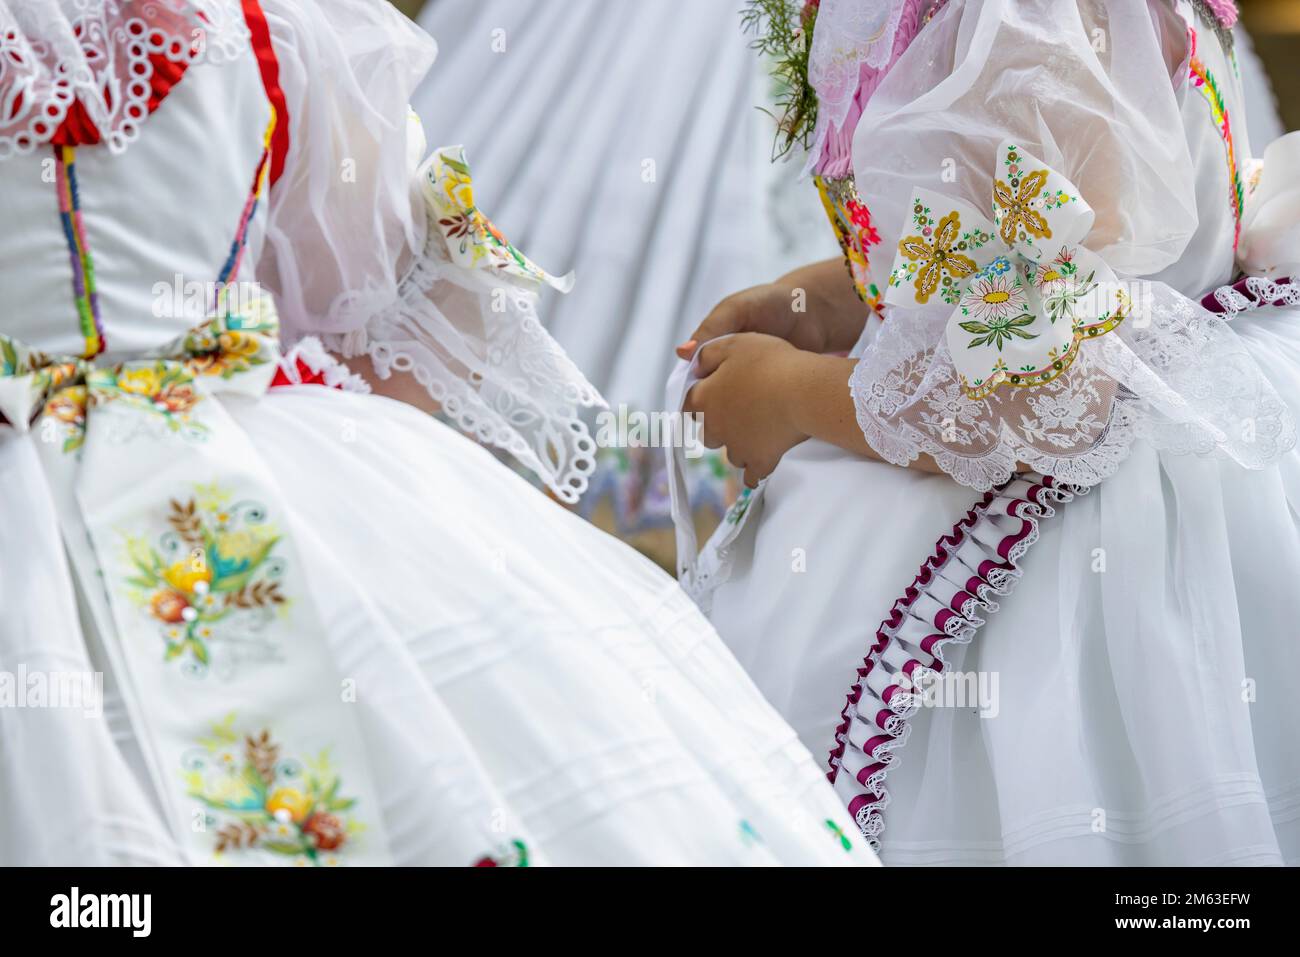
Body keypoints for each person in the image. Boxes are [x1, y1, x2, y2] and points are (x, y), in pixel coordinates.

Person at [0, 0, 869, 867]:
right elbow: (395, 317)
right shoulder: (272, 29)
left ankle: (671, 499)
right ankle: (669, 502)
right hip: (273, 442)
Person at [678, 0, 1300, 865]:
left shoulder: (1021, 21)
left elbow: (1052, 393)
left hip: (1078, 530)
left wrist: (790, 396)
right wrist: (840, 295)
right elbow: (1050, 242)